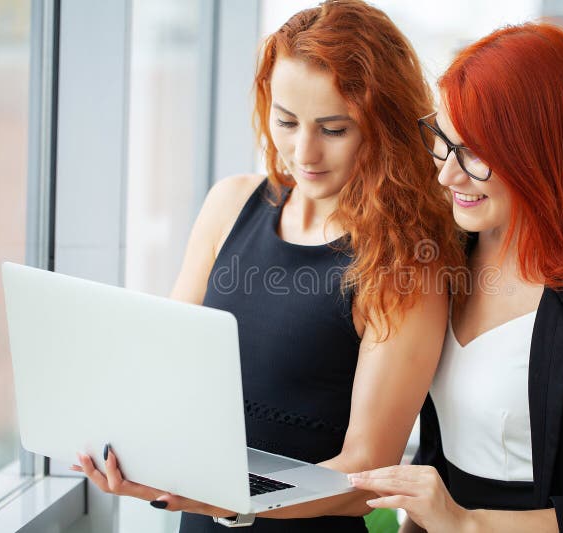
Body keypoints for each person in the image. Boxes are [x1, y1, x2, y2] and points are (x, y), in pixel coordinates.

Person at [73, 1, 464, 531]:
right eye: (286, 121)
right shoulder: (229, 204)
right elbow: (163, 376)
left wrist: (228, 501)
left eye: (334, 129)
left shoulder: (405, 261)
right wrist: (129, 446)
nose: (304, 152)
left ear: (384, 125)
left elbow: (366, 473)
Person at [349, 23, 563, 533]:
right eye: (443, 141)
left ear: (539, 153)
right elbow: (450, 446)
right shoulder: (448, 254)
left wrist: (466, 525)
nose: (447, 173)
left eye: (474, 153)